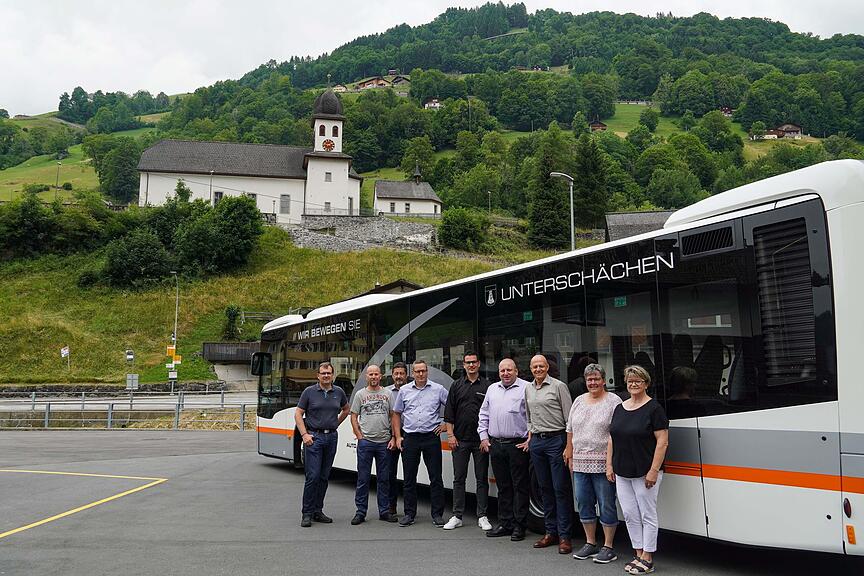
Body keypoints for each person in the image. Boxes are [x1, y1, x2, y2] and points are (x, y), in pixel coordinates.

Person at [607, 365, 669, 575]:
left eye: (638, 381)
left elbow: (662, 442)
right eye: (630, 381)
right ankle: (638, 552)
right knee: (630, 514)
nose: (633, 384)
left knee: (647, 514)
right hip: (622, 472)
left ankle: (648, 557)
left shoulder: (654, 409)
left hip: (645, 472)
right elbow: (612, 439)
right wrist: (609, 465)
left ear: (646, 384)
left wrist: (654, 470)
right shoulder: (620, 408)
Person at [564, 363, 622, 564]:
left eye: (596, 378)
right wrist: (569, 451)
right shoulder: (579, 401)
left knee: (606, 503)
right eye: (589, 379)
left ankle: (608, 546)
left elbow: (616, 433)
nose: (593, 382)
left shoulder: (614, 401)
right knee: (583, 502)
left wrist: (610, 464)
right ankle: (590, 542)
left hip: (603, 462)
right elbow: (570, 428)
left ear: (603, 380)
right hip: (580, 462)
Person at [525, 354, 574, 554]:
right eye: (535, 366)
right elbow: (528, 416)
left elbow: (569, 419)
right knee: (544, 488)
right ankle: (550, 532)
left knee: (560, 488)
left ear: (547, 367)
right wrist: (530, 436)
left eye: (541, 366)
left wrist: (568, 446)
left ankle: (565, 537)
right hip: (537, 442)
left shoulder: (559, 386)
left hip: (556, 440)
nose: (538, 369)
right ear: (531, 369)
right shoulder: (528, 388)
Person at [391, 360, 449, 527]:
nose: (420, 374)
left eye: (423, 371)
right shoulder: (404, 390)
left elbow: (453, 407)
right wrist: (398, 436)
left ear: (427, 372)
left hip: (431, 437)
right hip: (410, 438)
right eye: (417, 371)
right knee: (409, 478)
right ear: (413, 373)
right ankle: (409, 514)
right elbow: (396, 414)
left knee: (436, 477)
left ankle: (437, 514)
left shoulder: (438, 389)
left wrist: (446, 425)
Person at [478, 358, 530, 542]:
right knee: (503, 487)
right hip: (496, 445)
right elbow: (483, 414)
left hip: (517, 445)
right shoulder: (492, 389)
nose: (506, 373)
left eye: (509, 370)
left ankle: (519, 526)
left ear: (516, 370)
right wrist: (483, 437)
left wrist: (530, 438)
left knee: (519, 487)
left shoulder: (527, 388)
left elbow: (533, 415)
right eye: (502, 371)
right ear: (498, 373)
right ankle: (505, 523)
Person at [294, 361, 350, 528]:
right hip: (314, 438)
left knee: (324, 477)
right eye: (323, 373)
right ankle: (307, 513)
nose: (326, 376)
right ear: (318, 376)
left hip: (331, 438)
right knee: (313, 476)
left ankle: (318, 511)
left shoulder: (338, 392)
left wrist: (335, 424)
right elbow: (298, 413)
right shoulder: (309, 392)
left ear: (332, 375)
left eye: (329, 373)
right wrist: (304, 434)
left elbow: (346, 410)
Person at [443, 352, 492, 531]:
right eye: (467, 363)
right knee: (458, 479)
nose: (471, 365)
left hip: (480, 442)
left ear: (479, 364)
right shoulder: (456, 386)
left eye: (474, 362)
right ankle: (457, 516)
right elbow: (449, 414)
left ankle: (482, 516)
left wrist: (485, 437)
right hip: (460, 441)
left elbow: (491, 414)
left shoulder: (488, 386)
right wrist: (450, 435)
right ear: (463, 365)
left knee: (481, 479)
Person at [350, 364, 398, 525]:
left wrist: (393, 437)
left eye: (376, 374)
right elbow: (353, 416)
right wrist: (359, 436)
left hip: (384, 443)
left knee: (384, 479)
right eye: (370, 374)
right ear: (366, 377)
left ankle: (384, 511)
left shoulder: (388, 394)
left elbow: (393, 416)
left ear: (381, 376)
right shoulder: (360, 394)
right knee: (363, 479)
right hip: (366, 443)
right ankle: (360, 512)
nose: (373, 377)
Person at [384, 362, 408, 515]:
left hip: (409, 434)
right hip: (391, 436)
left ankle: (409, 509)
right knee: (390, 473)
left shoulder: (412, 390)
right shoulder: (386, 392)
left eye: (401, 373)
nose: (399, 376)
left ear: (406, 375)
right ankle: (391, 506)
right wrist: (393, 436)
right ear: (392, 375)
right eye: (396, 374)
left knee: (409, 473)